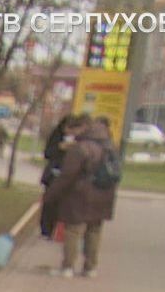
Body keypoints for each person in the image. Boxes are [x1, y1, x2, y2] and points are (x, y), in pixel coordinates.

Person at [43, 114, 117, 278]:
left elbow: (67, 176)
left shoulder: (80, 148)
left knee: (73, 230)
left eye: (73, 130)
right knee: (94, 231)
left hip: (80, 196)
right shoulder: (109, 144)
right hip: (104, 195)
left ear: (81, 128)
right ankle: (90, 268)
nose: (71, 135)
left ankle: (67, 267)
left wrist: (50, 194)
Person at [39, 112, 74, 236]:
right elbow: (47, 153)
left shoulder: (78, 140)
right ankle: (46, 230)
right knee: (49, 203)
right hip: (53, 174)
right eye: (67, 128)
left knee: (63, 204)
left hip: (68, 175)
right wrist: (60, 148)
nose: (69, 132)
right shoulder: (56, 136)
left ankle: (60, 231)